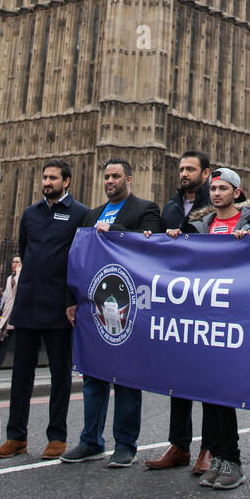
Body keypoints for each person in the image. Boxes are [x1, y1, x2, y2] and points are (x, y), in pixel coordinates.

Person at [61, 158, 162, 467]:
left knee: (127, 377)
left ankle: (125, 444)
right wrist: (72, 299)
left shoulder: (146, 210)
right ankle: (90, 440)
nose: (109, 181)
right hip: (94, 306)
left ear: (129, 179)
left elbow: (150, 246)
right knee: (93, 376)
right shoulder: (90, 215)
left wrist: (114, 230)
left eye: (116, 176)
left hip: (129, 306)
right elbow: (78, 258)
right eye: (106, 176)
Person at [0, 159, 86, 461]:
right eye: (45, 177)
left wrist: (73, 300)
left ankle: (56, 436)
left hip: (59, 305)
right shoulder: (30, 214)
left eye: (53, 178)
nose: (47, 182)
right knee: (21, 376)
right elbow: (23, 249)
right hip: (28, 304)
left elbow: (80, 260)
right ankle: (15, 436)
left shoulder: (80, 214)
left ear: (66, 181)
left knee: (60, 376)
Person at [187, 167, 250, 490]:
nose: (217, 193)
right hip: (206, 318)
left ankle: (232, 459)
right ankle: (217, 455)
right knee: (210, 391)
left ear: (237, 192)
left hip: (235, 319)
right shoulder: (201, 226)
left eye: (223, 188)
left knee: (225, 390)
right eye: (213, 188)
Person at [146, 149, 214, 475]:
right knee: (179, 376)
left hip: (211, 302)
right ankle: (179, 445)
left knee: (211, 378)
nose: (184, 173)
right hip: (178, 302)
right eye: (182, 168)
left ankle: (211, 447)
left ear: (206, 172)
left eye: (190, 168)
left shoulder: (218, 206)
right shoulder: (171, 208)